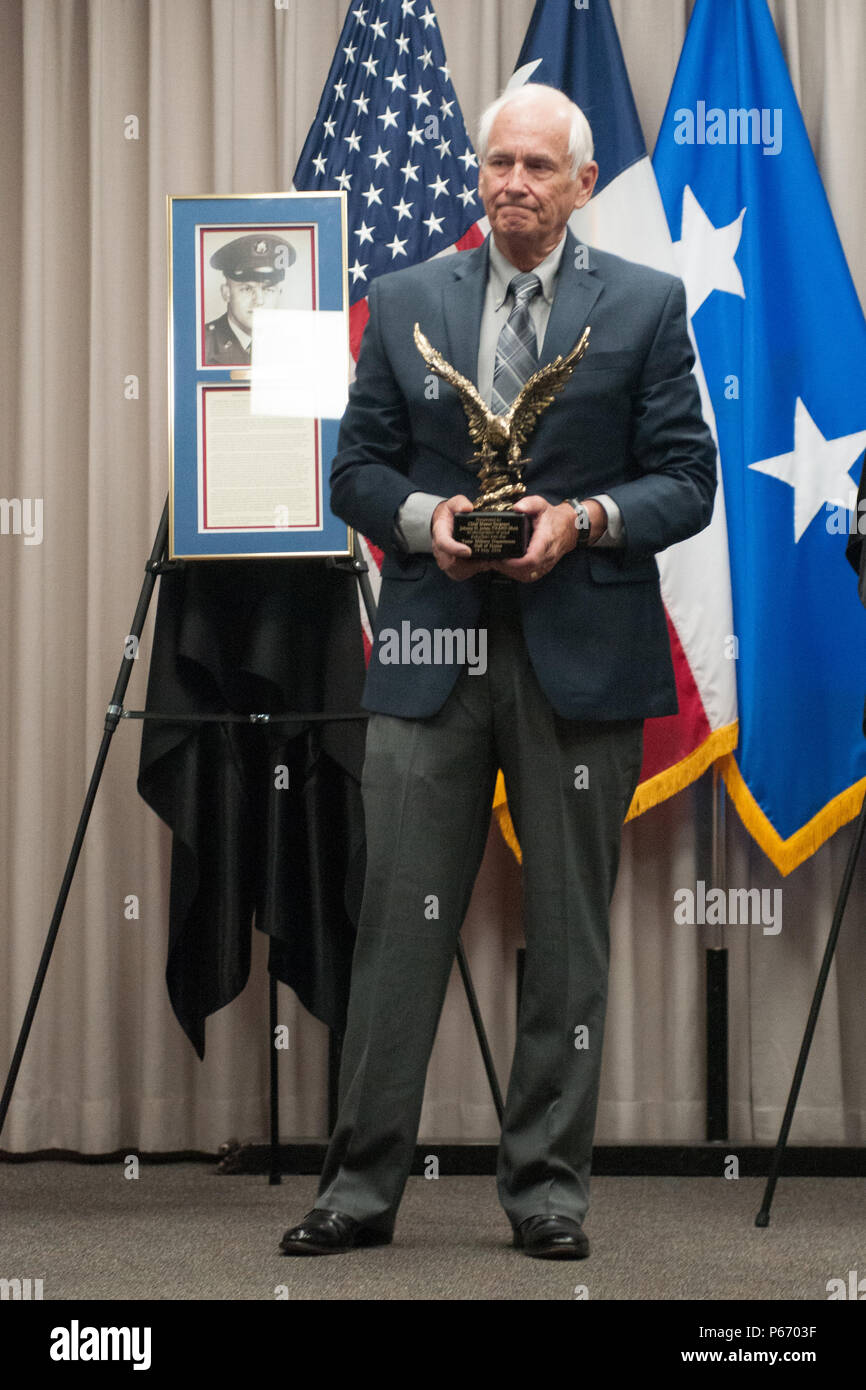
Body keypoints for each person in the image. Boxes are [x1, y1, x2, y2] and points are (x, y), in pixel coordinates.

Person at [280, 84, 716, 1260]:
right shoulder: (406, 298)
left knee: (567, 940)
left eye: (535, 165)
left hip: (581, 660)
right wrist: (422, 520)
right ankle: (356, 1190)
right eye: (497, 163)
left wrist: (580, 519)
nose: (511, 182)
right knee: (395, 928)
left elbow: (686, 479)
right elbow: (354, 470)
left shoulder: (644, 304)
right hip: (432, 654)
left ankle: (546, 1193)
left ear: (581, 183)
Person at [203, 232, 295, 365]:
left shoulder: (295, 344)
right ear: (226, 293)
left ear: (279, 293)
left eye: (268, 289)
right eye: (247, 289)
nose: (259, 301)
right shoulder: (201, 344)